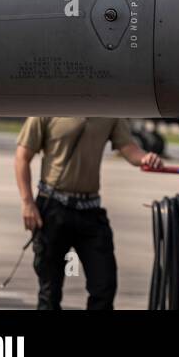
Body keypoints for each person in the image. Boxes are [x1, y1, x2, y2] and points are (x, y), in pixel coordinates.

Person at [14, 117, 162, 309]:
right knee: (49, 293)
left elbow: (129, 148)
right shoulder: (48, 105)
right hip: (54, 209)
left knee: (104, 286)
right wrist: (27, 202)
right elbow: (22, 157)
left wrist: (145, 158)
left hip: (90, 211)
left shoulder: (107, 111)